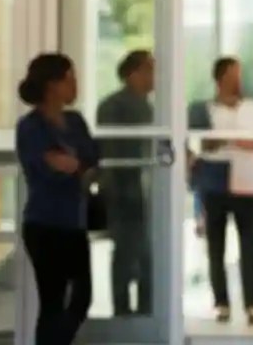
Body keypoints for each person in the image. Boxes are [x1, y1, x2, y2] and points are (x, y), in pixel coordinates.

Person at [16, 53, 100, 345]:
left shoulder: (75, 121)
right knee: (52, 302)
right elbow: (47, 168)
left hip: (74, 222)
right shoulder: (31, 126)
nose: (75, 84)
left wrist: (72, 165)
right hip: (44, 224)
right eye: (70, 78)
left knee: (82, 297)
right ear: (52, 84)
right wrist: (72, 166)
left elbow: (90, 161)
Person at [188, 56, 253, 325]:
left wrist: (235, 141)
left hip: (247, 177)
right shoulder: (201, 109)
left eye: (239, 74)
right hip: (214, 177)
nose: (238, 80)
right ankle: (221, 303)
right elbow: (201, 143)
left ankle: (252, 304)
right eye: (232, 75)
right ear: (220, 79)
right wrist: (233, 139)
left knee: (249, 243)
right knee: (216, 244)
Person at [96, 50, 156, 317]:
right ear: (132, 74)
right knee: (126, 251)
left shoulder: (150, 107)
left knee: (146, 253)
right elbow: (109, 152)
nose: (154, 77)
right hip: (124, 191)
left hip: (145, 190)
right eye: (149, 70)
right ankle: (123, 312)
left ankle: (146, 311)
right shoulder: (113, 106)